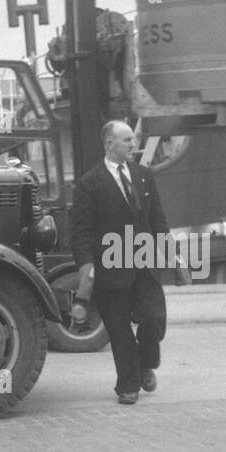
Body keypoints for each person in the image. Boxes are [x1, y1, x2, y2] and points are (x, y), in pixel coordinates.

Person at [70, 120, 168, 405]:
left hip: (145, 264)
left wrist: (167, 250)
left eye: (132, 140)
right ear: (109, 143)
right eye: (126, 140)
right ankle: (128, 385)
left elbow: (158, 220)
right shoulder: (90, 184)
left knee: (154, 319)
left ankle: (145, 362)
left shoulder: (144, 175)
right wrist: (87, 270)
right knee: (120, 330)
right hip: (110, 269)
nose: (132, 145)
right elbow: (81, 233)